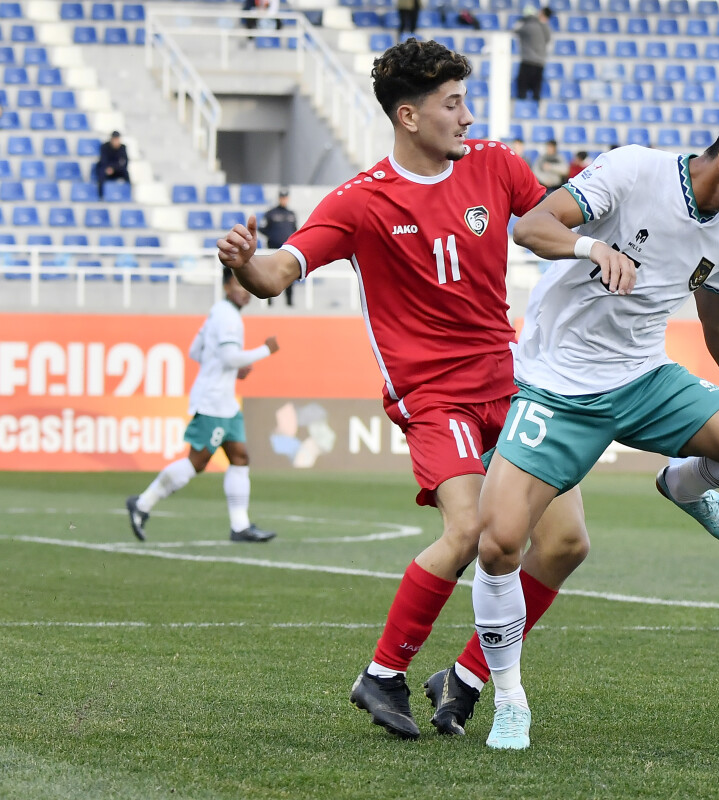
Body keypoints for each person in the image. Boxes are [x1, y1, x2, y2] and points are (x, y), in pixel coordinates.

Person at [214, 39, 591, 742]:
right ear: (411, 116)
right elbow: (277, 274)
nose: (467, 116)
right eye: (454, 104)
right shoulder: (361, 202)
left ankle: (467, 676)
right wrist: (246, 261)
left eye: (467, 101)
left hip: (514, 386)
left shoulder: (496, 165)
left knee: (566, 542)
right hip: (434, 396)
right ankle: (383, 672)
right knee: (472, 529)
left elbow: (550, 222)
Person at [469, 95, 719, 750]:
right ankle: (510, 699)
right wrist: (587, 248)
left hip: (643, 379)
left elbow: (716, 317)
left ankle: (682, 485)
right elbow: (531, 225)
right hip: (558, 388)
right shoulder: (635, 171)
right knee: (498, 544)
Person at [125, 267, 279, 544]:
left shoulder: (217, 312)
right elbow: (230, 358)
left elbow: (196, 351)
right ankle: (143, 503)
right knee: (197, 462)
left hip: (225, 403)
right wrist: (266, 350)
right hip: (213, 402)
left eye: (246, 284)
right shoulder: (228, 316)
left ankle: (240, 526)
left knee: (240, 457)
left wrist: (228, 367)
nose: (245, 290)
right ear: (227, 286)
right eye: (238, 284)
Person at [261, 188, 299, 307]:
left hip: (287, 251)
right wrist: (273, 236)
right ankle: (269, 303)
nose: (284, 200)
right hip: (273, 250)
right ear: (279, 198)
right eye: (282, 197)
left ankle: (289, 303)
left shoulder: (291, 214)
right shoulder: (271, 213)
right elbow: (262, 228)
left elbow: (295, 230)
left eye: (285, 197)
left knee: (288, 276)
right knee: (271, 275)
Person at [514, 7, 552, 103]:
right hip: (540, 61)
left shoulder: (527, 25)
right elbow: (548, 39)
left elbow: (516, 30)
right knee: (536, 90)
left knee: (522, 89)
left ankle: (522, 108)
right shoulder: (544, 26)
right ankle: (535, 109)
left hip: (527, 60)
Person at [97, 130, 130, 197]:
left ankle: (127, 194)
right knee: (101, 173)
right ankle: (101, 196)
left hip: (116, 169)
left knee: (126, 173)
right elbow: (103, 160)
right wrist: (109, 168)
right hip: (106, 168)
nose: (116, 141)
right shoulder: (105, 147)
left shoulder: (122, 148)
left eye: (117, 139)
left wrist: (113, 168)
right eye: (115, 139)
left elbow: (124, 162)